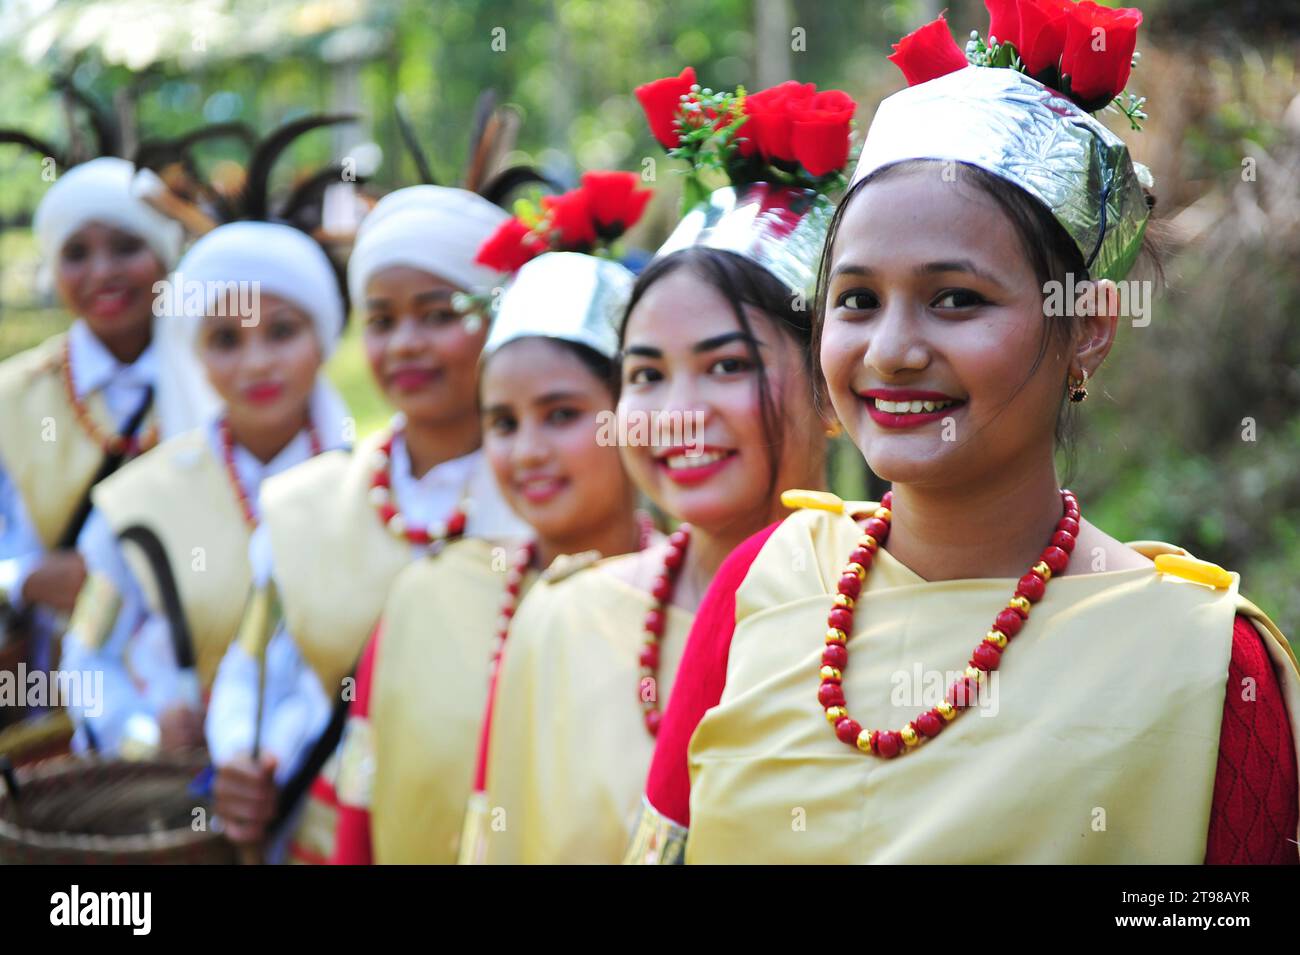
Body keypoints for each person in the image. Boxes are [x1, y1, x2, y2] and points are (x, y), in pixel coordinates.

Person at [628, 13, 1300, 864]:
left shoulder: (1205, 662)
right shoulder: (762, 582)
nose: (892, 351)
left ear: (1088, 328)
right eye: (857, 300)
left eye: (956, 300)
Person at [477, 75, 853, 863]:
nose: (677, 411)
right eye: (646, 374)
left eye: (725, 366)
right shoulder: (562, 619)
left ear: (831, 385)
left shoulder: (901, 622)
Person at [205, 184, 528, 862]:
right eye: (382, 320)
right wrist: (238, 750)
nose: (406, 343)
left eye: (437, 314)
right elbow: (256, 662)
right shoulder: (309, 504)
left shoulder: (546, 496)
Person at [333, 236, 658, 864]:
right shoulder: (429, 594)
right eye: (504, 423)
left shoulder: (681, 603)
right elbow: (360, 816)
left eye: (560, 415)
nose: (528, 451)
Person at [61, 221, 348, 756]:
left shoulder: (371, 491)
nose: (256, 362)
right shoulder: (138, 502)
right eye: (226, 340)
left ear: (323, 338)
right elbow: (85, 657)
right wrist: (144, 737)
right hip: (180, 806)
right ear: (195, 353)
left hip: (328, 813)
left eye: (282, 332)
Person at [0, 157, 182, 690]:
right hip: (49, 694)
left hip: (195, 690)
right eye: (76, 254)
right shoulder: (12, 396)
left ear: (165, 256)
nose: (103, 272)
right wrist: (25, 579)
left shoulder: (217, 378)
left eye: (127, 247)